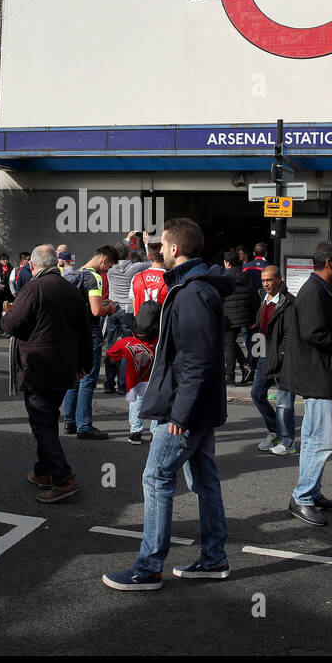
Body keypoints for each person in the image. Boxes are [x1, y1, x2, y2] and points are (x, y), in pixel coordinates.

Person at [102, 217, 234, 591]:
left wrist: (180, 413)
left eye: (161, 243)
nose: (158, 249)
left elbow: (195, 359)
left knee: (157, 477)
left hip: (185, 408)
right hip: (199, 406)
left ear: (175, 248)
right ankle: (213, 558)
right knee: (204, 480)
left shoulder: (191, 292)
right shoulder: (199, 286)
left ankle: (148, 568)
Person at [2, 244, 94, 502]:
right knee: (47, 418)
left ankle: (63, 478)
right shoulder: (71, 288)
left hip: (39, 366)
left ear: (33, 265)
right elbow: (84, 330)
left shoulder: (33, 288)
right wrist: (84, 363)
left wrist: (6, 313)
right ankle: (43, 472)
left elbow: (12, 324)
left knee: (41, 423)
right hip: (64, 366)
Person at [281, 242, 332, 526]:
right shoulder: (314, 291)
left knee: (316, 439)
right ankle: (302, 497)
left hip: (321, 374)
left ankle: (311, 492)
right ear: (329, 263)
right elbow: (315, 334)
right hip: (318, 376)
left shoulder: (319, 289)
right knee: (319, 440)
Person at [61, 244, 120, 441]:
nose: (108, 269)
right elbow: (95, 310)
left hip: (71, 334)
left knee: (73, 379)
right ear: (104, 259)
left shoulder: (73, 274)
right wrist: (109, 308)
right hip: (89, 335)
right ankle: (84, 426)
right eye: (110, 265)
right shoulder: (93, 278)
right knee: (87, 380)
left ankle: (69, 421)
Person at [251, 265, 297, 455]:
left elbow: (291, 333)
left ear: (279, 279)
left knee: (284, 401)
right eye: (263, 280)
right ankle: (274, 431)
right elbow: (260, 329)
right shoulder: (263, 297)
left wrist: (283, 354)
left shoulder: (289, 302)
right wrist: (254, 355)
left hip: (283, 357)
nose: (266, 284)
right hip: (264, 354)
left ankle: (288, 441)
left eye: (269, 280)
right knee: (256, 393)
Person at [105, 300, 161, 444]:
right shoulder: (160, 326)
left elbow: (112, 354)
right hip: (155, 359)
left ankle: (135, 431)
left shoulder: (131, 336)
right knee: (157, 396)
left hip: (137, 368)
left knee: (136, 397)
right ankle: (155, 432)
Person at [103, 238, 148, 393]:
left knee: (111, 347)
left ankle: (109, 383)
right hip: (128, 312)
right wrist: (146, 243)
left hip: (113, 310)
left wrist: (125, 240)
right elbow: (153, 261)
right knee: (127, 349)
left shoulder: (110, 269)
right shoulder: (135, 268)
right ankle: (122, 385)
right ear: (129, 254)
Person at [221, 251, 256, 386]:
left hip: (228, 316)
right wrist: (252, 318)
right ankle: (245, 366)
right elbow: (252, 297)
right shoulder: (246, 277)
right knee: (229, 342)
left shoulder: (224, 277)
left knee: (228, 345)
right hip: (243, 315)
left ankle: (230, 376)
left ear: (227, 263)